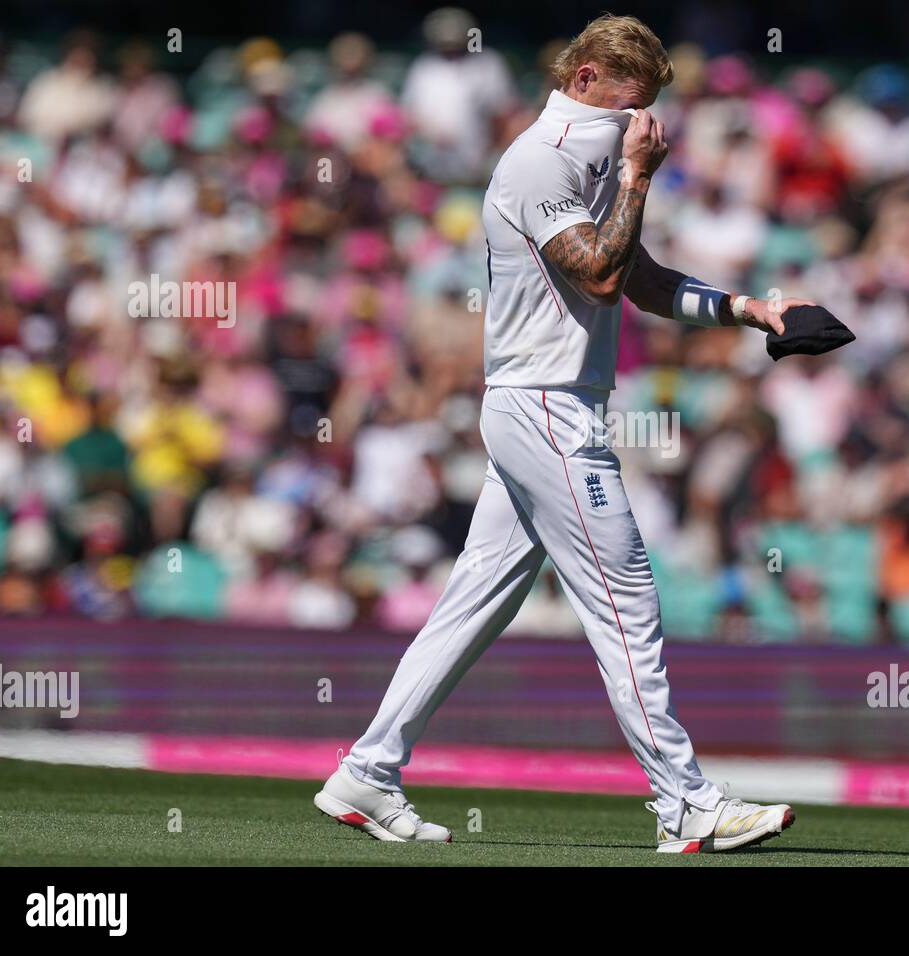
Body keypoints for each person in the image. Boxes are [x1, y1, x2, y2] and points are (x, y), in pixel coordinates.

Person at [316, 14, 811, 853]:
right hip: (545, 404)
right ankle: (685, 803)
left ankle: (369, 769)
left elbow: (641, 276)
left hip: (546, 404)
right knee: (625, 599)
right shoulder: (540, 161)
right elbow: (603, 270)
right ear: (583, 77)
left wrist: (747, 309)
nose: (639, 126)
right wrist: (638, 176)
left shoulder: (588, 156)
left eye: (646, 112)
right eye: (628, 105)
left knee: (478, 599)